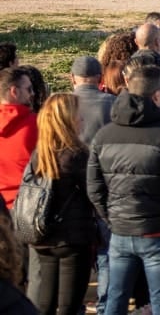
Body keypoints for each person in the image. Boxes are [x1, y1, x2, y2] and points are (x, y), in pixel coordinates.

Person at [88, 56, 160, 315]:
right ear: (157, 96)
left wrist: (112, 218)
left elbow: (94, 187)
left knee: (115, 299)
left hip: (121, 232)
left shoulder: (104, 135)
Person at [25, 93, 96, 315]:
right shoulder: (77, 155)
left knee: (44, 303)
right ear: (68, 120)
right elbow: (93, 193)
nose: (82, 119)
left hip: (43, 237)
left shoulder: (40, 154)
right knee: (69, 306)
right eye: (78, 115)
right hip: (73, 239)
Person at [0, 68, 38, 212]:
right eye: (29, 89)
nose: (32, 94)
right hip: (29, 204)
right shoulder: (35, 124)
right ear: (14, 91)